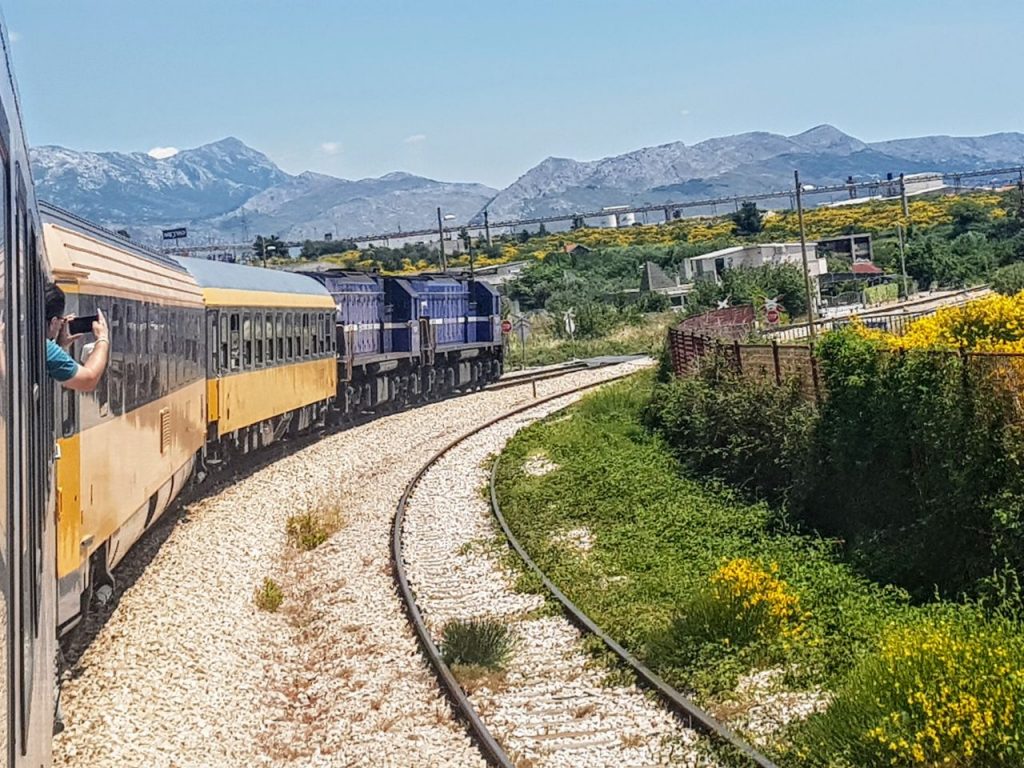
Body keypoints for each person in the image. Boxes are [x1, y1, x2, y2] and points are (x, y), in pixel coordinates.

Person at [45, 283, 109, 392]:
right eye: (61, 320)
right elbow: (89, 380)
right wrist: (102, 339)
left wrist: (60, 345)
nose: (61, 325)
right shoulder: (46, 349)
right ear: (53, 322)